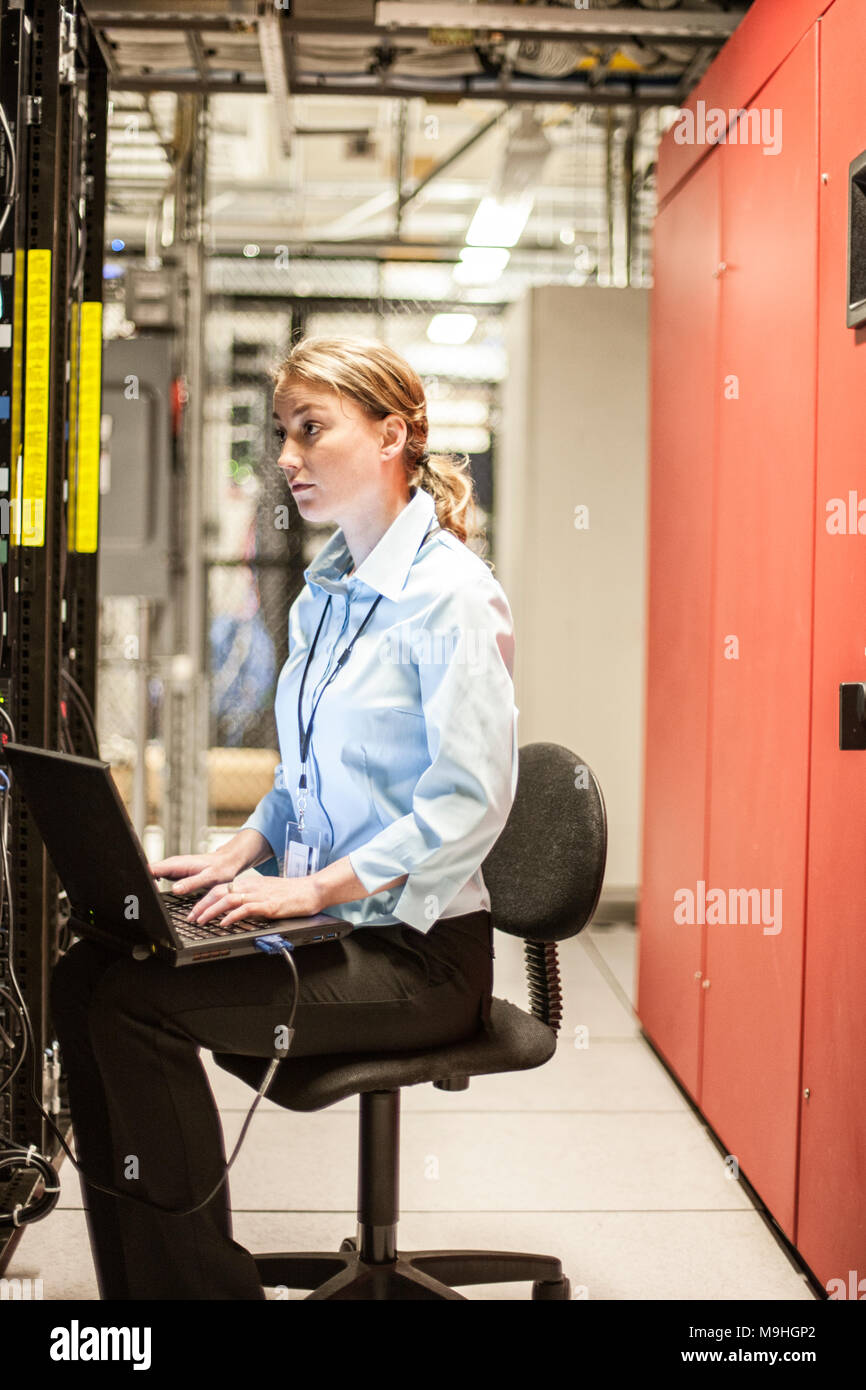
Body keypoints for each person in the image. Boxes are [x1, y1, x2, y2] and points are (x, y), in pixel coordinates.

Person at [49, 335, 520, 1300]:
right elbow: (303, 774)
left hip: (418, 957)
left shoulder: (452, 600)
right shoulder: (325, 595)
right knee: (84, 972)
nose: (288, 457)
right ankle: (136, 1302)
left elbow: (471, 800)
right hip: (331, 926)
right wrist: (245, 848)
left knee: (132, 1006)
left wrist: (313, 884)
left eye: (313, 430)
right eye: (283, 433)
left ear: (393, 435)